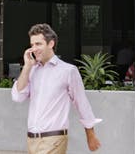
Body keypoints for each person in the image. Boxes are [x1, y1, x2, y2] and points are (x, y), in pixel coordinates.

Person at [11, 22, 101, 154]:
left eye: (38, 44)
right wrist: (26, 67)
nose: (34, 49)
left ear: (51, 44)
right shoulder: (31, 70)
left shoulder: (67, 71)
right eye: (32, 45)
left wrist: (90, 134)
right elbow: (17, 97)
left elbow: (82, 103)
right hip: (32, 139)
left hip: (54, 138)